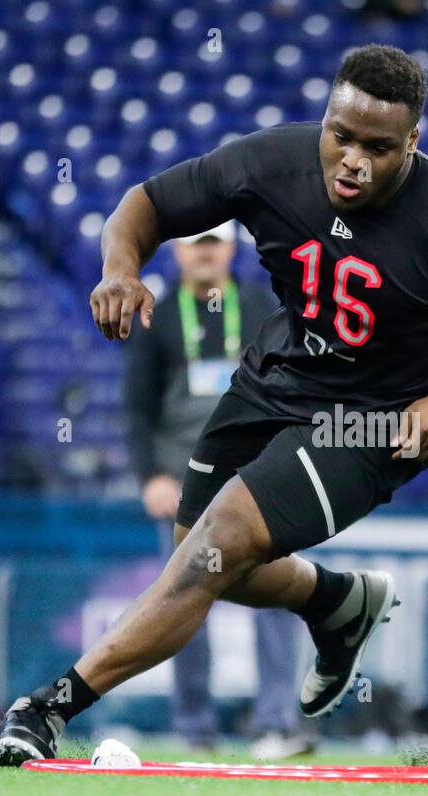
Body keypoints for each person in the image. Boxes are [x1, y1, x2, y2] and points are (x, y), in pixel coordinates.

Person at [0, 44, 428, 764]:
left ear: (413, 143)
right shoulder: (273, 162)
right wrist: (121, 267)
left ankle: (48, 707)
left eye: (377, 148)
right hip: (277, 378)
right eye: (340, 135)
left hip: (372, 421)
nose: (351, 160)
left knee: (214, 544)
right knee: (198, 552)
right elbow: (148, 204)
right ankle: (334, 601)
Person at [123, 221, 312, 760]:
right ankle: (194, 727)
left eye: (213, 244)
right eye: (195, 244)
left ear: (230, 248)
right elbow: (137, 408)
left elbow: (290, 390)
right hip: (182, 485)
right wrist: (150, 477)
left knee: (277, 595)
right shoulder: (154, 317)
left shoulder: (259, 307)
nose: (205, 254)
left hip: (257, 479)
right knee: (182, 604)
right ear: (179, 252)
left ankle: (275, 722)